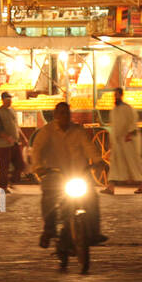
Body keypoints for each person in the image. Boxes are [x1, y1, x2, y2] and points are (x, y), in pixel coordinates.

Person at [29, 101, 106, 248]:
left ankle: (94, 232)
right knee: (49, 198)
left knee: (92, 198)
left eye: (67, 113)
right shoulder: (47, 132)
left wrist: (97, 161)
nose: (65, 116)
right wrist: (38, 167)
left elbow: (88, 146)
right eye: (62, 113)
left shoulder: (78, 131)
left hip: (77, 173)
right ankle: (49, 229)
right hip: (54, 174)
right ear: (55, 115)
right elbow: (37, 150)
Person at [105, 87, 142, 195]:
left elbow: (133, 121)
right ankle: (110, 187)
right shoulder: (114, 110)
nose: (116, 97)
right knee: (115, 164)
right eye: (115, 95)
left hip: (128, 140)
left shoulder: (127, 108)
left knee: (133, 163)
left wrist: (130, 133)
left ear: (121, 95)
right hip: (118, 141)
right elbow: (114, 126)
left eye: (117, 95)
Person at [0, 91, 27, 193]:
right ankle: (2, 187)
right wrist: (7, 137)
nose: (10, 101)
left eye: (10, 99)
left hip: (14, 142)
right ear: (3, 100)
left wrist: (23, 138)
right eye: (7, 100)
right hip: (3, 145)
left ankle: (11, 181)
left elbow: (16, 126)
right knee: (4, 167)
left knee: (20, 164)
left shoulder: (12, 110)